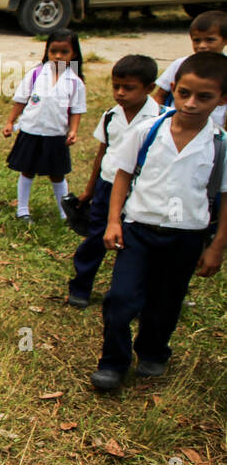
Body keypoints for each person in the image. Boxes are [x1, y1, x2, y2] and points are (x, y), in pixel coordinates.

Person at [91, 52, 227, 391]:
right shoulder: (149, 130)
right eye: (184, 93)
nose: (191, 103)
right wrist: (113, 222)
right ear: (173, 89)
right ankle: (113, 363)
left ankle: (152, 350)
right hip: (138, 231)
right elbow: (122, 174)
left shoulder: (220, 145)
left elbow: (225, 199)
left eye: (204, 97)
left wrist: (217, 247)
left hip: (186, 237)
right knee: (120, 299)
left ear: (222, 99)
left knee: (166, 301)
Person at [68, 55, 163, 307]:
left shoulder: (161, 120)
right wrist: (90, 188)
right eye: (115, 86)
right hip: (108, 186)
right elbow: (102, 153)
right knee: (97, 235)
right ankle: (81, 286)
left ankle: (142, 293)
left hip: (141, 190)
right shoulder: (111, 115)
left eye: (128, 88)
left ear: (149, 88)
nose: (120, 93)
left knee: (138, 241)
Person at [3, 30, 86, 222]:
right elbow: (21, 100)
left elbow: (76, 110)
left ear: (73, 54)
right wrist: (10, 121)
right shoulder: (36, 74)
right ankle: (23, 210)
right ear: (47, 51)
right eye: (53, 51)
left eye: (64, 52)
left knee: (57, 174)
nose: (58, 56)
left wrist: (73, 130)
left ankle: (64, 213)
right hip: (31, 131)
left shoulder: (75, 82)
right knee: (27, 170)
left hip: (56, 134)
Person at [152, 11, 227, 128]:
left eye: (210, 40)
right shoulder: (180, 64)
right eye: (197, 40)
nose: (202, 45)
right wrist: (155, 119)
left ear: (225, 40)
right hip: (175, 125)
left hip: (213, 128)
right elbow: (160, 95)